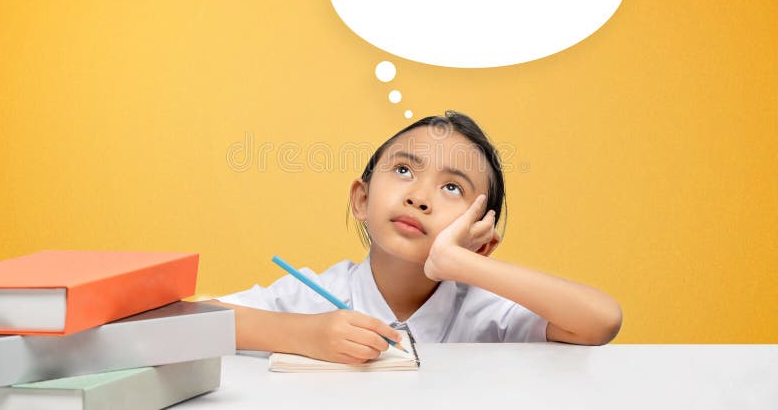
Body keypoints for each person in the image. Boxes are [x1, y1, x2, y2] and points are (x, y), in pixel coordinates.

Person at [209, 111, 622, 364]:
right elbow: (189, 322)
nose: (419, 197)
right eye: (404, 170)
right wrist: (306, 334)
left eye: (452, 188)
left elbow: (600, 321)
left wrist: (460, 263)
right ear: (362, 199)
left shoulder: (486, 315)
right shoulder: (314, 295)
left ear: (481, 243)